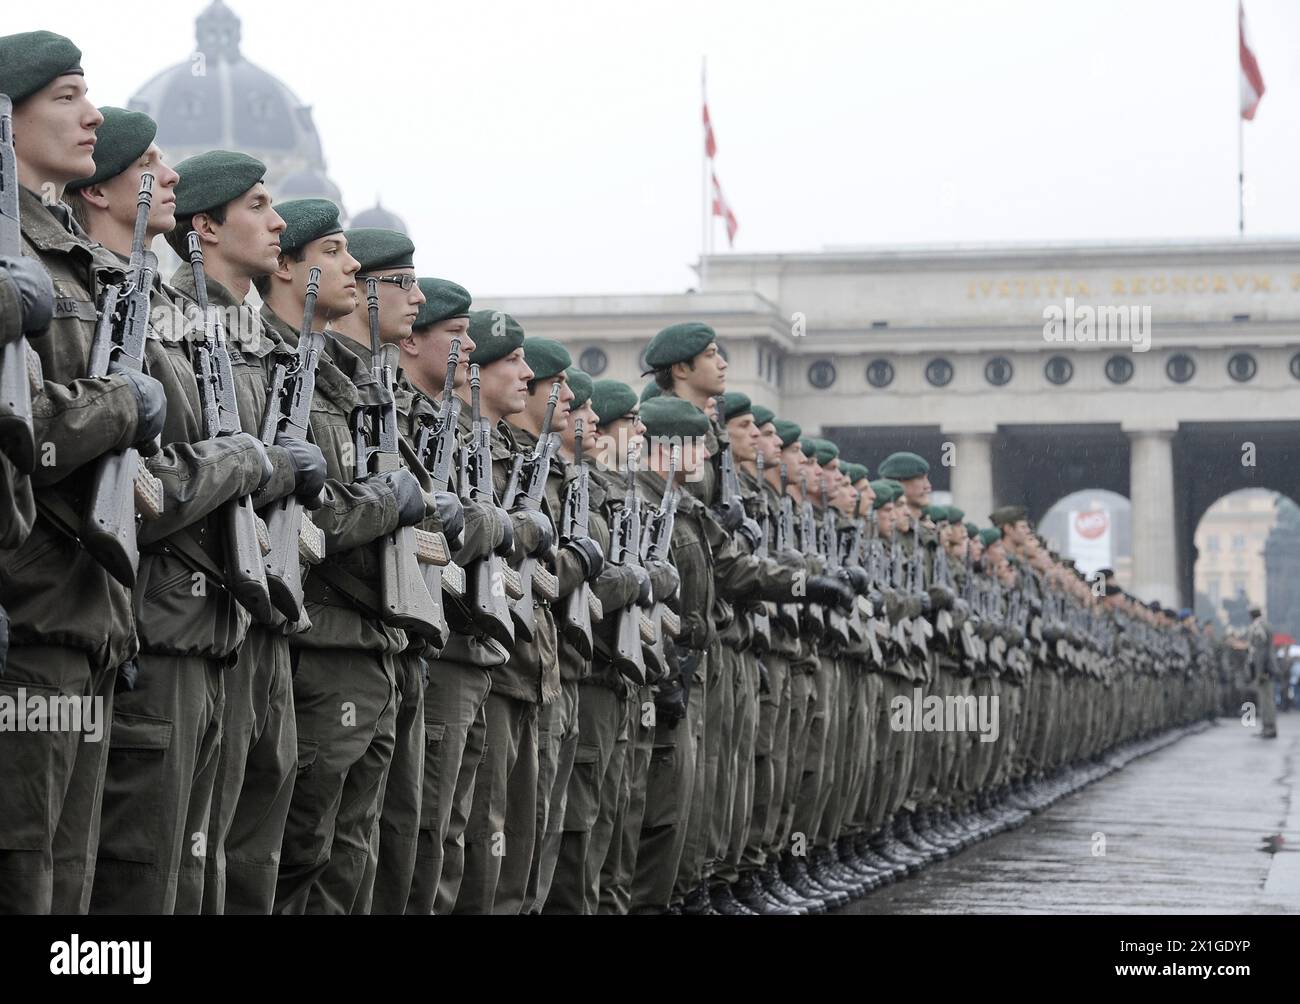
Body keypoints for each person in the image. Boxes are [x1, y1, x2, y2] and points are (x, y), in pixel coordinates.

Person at [0, 31, 168, 915]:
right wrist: (121, 404)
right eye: (66, 97)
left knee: (74, 887)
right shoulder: (15, 259)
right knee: (27, 876)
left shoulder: (71, 260)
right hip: (32, 618)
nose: (92, 116)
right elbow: (27, 428)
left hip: (90, 622)